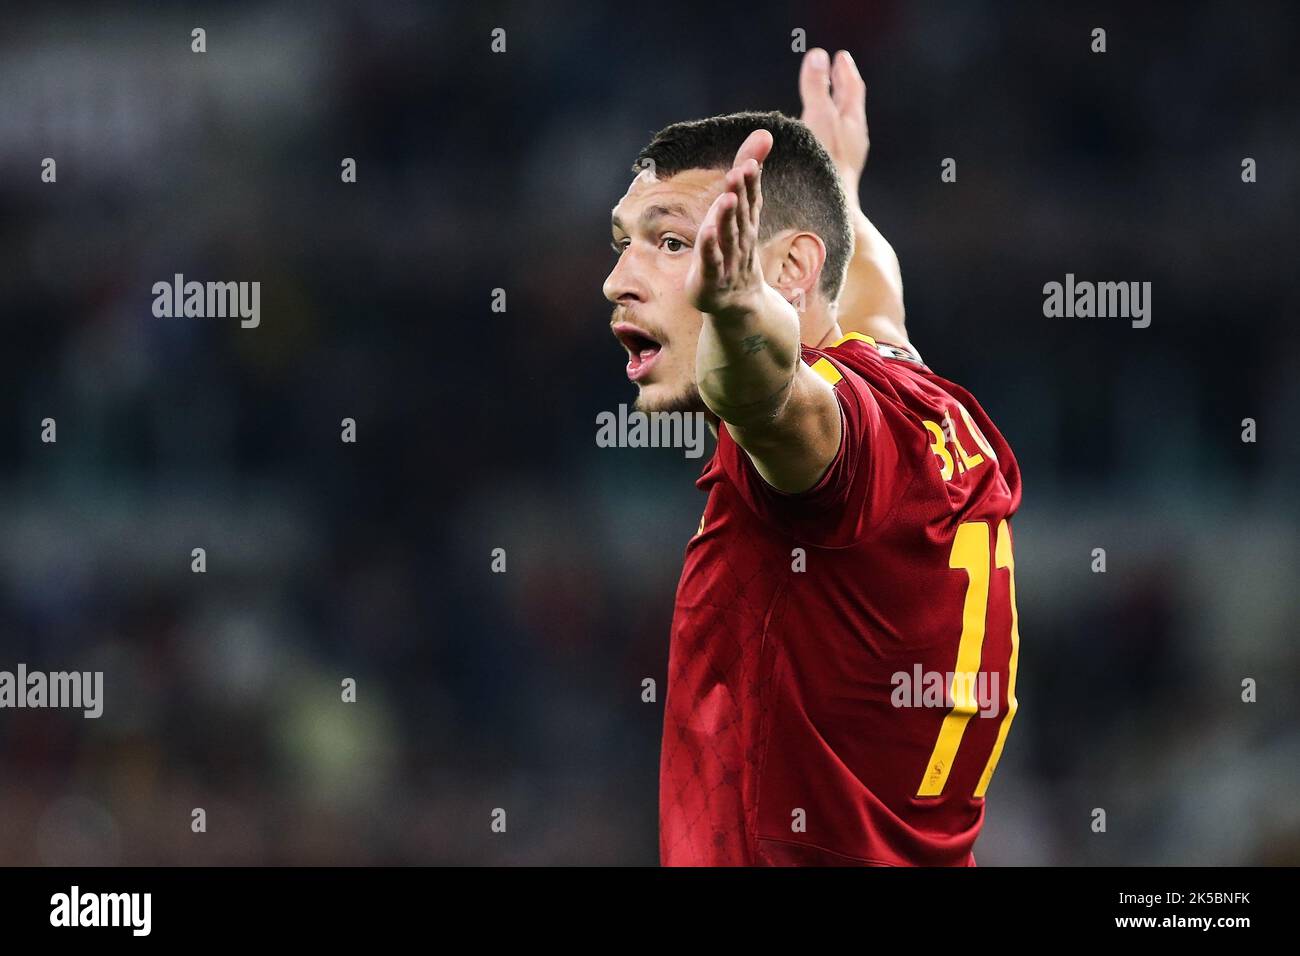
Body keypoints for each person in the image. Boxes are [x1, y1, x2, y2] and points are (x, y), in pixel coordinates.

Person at [604, 48, 1023, 866]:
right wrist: (844, 184)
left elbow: (772, 399)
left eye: (670, 242)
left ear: (787, 273)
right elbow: (870, 287)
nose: (619, 278)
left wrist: (733, 312)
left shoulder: (831, 449)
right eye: (624, 242)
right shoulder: (908, 383)